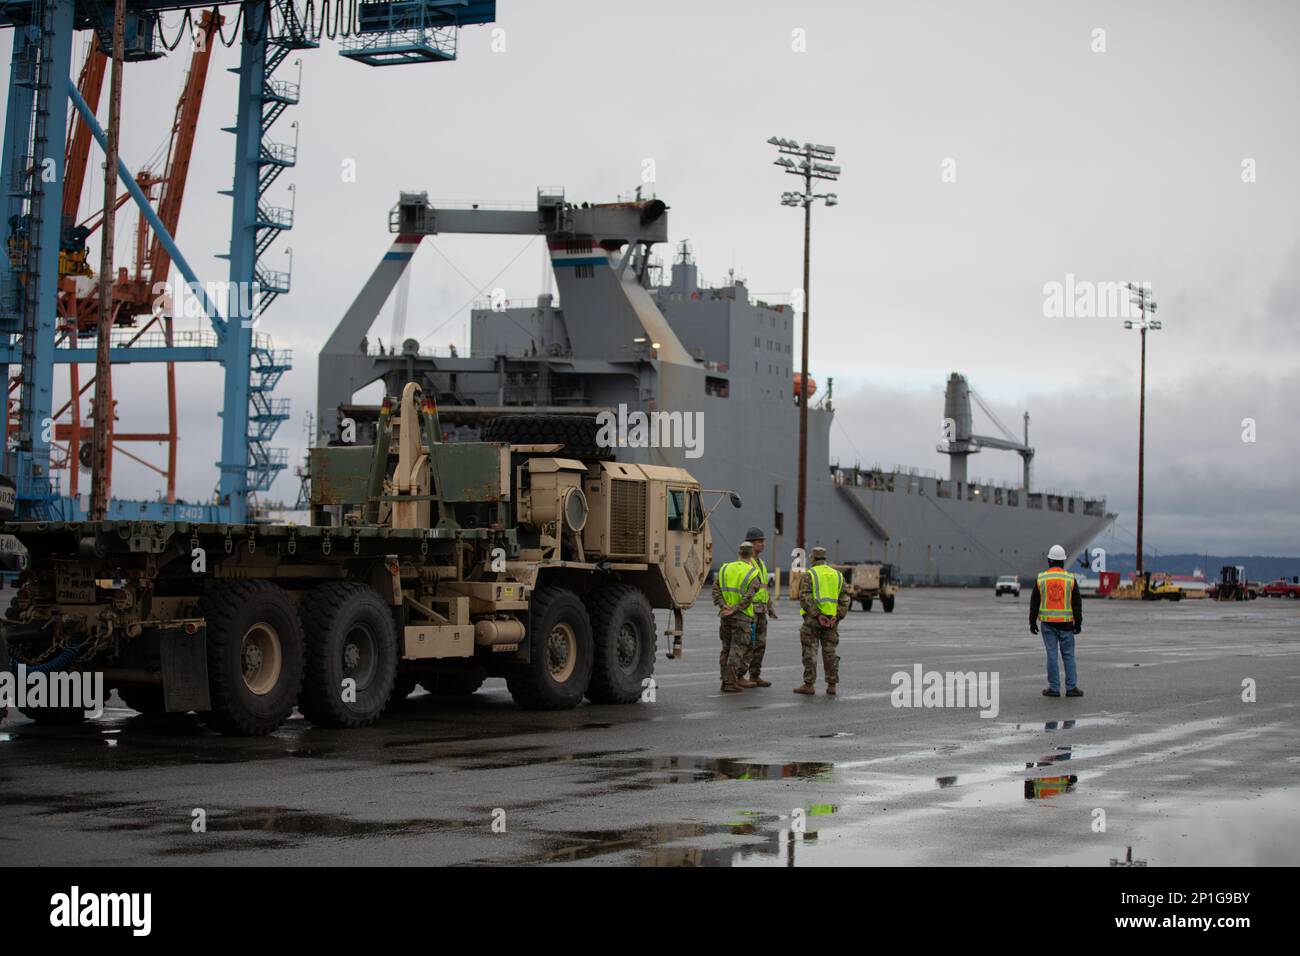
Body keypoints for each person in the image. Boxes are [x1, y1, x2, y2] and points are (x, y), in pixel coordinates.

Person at [1029, 544, 1084, 698]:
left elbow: (1034, 602)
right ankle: (1071, 688)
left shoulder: (1042, 578)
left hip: (1048, 624)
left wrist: (1032, 622)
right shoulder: (1070, 578)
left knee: (1052, 655)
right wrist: (1078, 623)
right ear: (1063, 561)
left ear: (1049, 561)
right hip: (1066, 624)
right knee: (1068, 655)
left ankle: (1054, 688)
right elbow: (1077, 603)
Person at [794, 546, 849, 695]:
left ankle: (809, 684)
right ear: (824, 558)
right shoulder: (838, 575)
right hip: (831, 622)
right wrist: (837, 617)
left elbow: (805, 598)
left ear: (813, 558)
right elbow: (844, 600)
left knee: (810, 652)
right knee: (830, 652)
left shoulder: (810, 575)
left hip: (814, 620)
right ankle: (832, 685)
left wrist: (818, 615)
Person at [711, 541, 761, 693]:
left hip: (725, 615)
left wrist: (723, 605)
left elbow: (715, 591)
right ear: (751, 554)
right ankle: (730, 683)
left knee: (725, 648)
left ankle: (724, 679)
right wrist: (736, 609)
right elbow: (749, 597)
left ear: (739, 553)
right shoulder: (752, 573)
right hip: (741, 616)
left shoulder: (725, 568)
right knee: (737, 649)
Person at [738, 527, 777, 687]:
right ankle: (740, 675)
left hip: (761, 610)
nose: (763, 544)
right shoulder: (746, 562)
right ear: (751, 544)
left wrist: (770, 607)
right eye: (760, 541)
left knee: (760, 644)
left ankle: (755, 675)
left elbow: (763, 587)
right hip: (750, 610)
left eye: (762, 541)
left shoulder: (761, 563)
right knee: (747, 643)